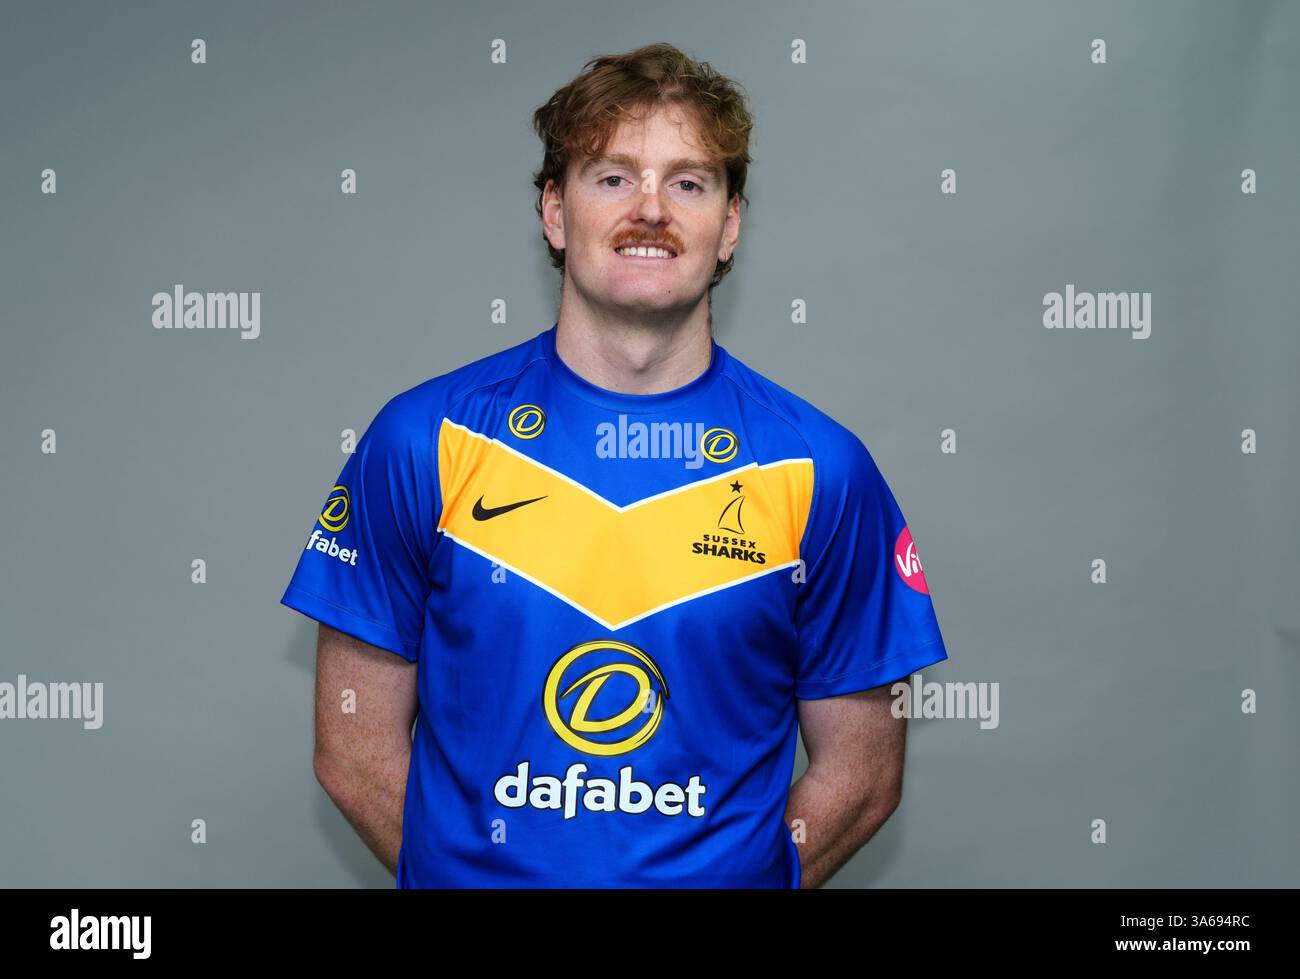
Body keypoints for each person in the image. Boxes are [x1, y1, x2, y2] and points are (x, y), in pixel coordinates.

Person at [281, 42, 949, 888]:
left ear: (730, 223)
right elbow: (351, 746)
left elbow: (862, 775)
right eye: (612, 177)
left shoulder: (823, 470)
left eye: (689, 181)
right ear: (556, 214)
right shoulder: (425, 440)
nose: (651, 209)